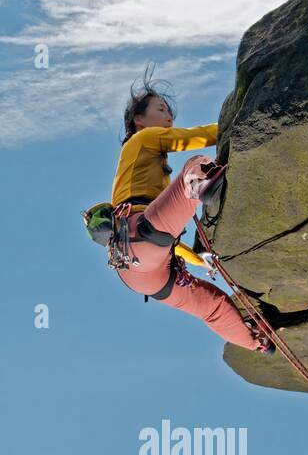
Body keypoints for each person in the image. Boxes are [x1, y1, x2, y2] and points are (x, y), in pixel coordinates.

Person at [107, 78, 274, 353]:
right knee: (192, 168)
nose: (168, 117)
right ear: (139, 119)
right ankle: (202, 183)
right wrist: (237, 124)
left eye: (169, 113)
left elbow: (161, 239)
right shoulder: (144, 138)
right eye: (160, 109)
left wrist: (199, 259)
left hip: (139, 274)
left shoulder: (135, 165)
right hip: (143, 237)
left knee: (213, 307)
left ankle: (257, 343)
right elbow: (194, 138)